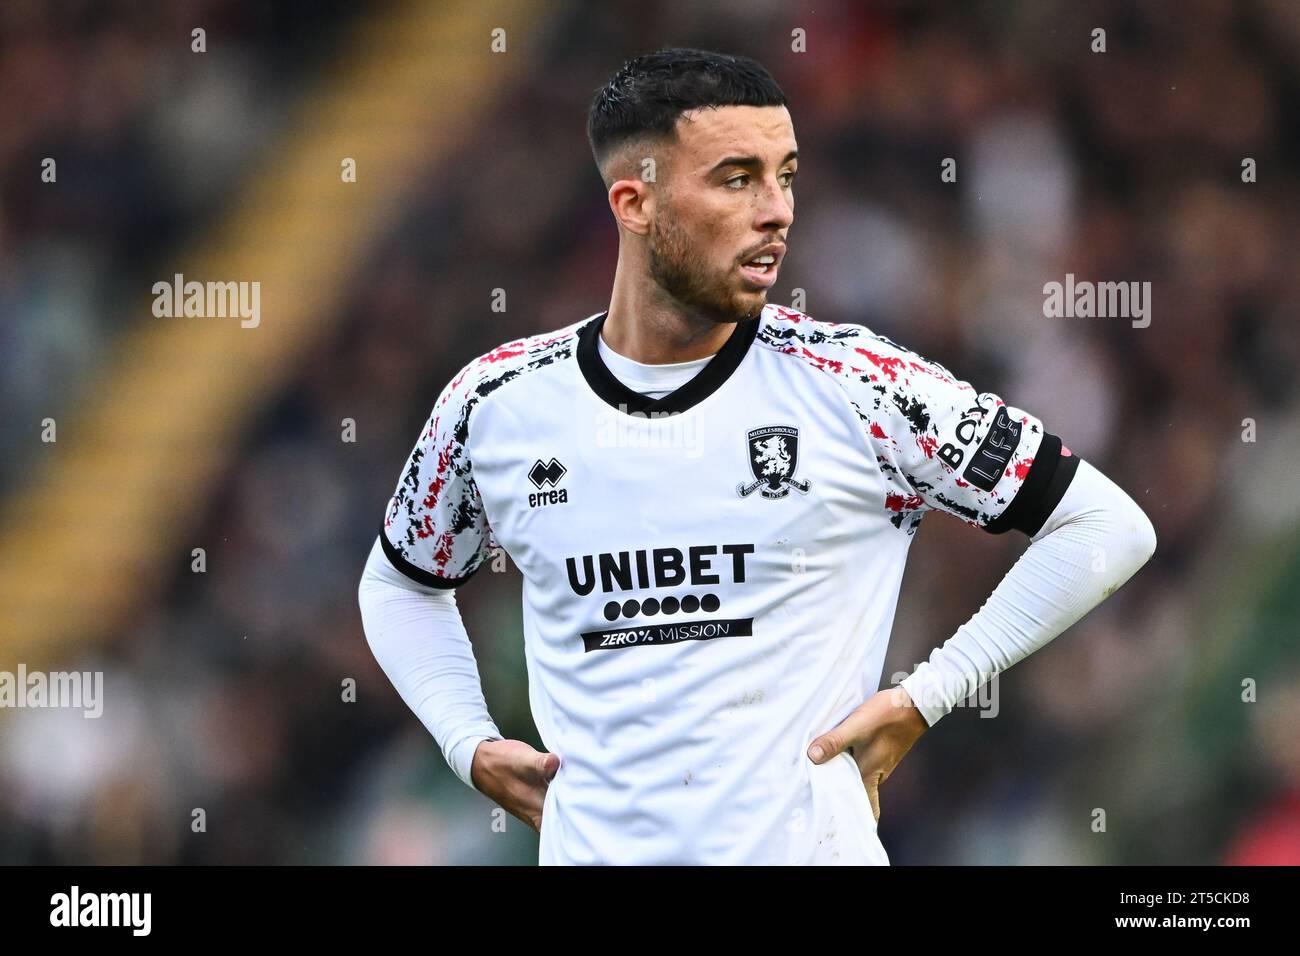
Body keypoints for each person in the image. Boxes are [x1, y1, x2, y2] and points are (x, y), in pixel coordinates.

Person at [357, 48, 1157, 865]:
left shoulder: (860, 384)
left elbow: (1103, 524)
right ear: (635, 203)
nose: (777, 210)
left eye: (787, 175)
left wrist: (926, 695)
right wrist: (467, 741)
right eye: (738, 179)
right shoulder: (498, 404)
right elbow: (400, 585)